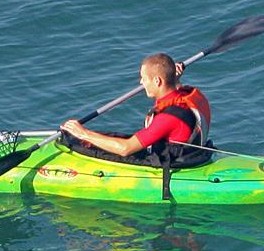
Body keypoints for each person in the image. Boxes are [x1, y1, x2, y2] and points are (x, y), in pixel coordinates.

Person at [60, 53, 214, 169]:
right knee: (108, 136)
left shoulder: (168, 118)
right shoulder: (189, 95)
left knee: (102, 144)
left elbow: (125, 149)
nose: (141, 82)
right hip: (194, 155)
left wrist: (83, 133)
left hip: (174, 161)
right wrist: (173, 77)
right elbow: (172, 88)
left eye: (144, 78)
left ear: (157, 81)